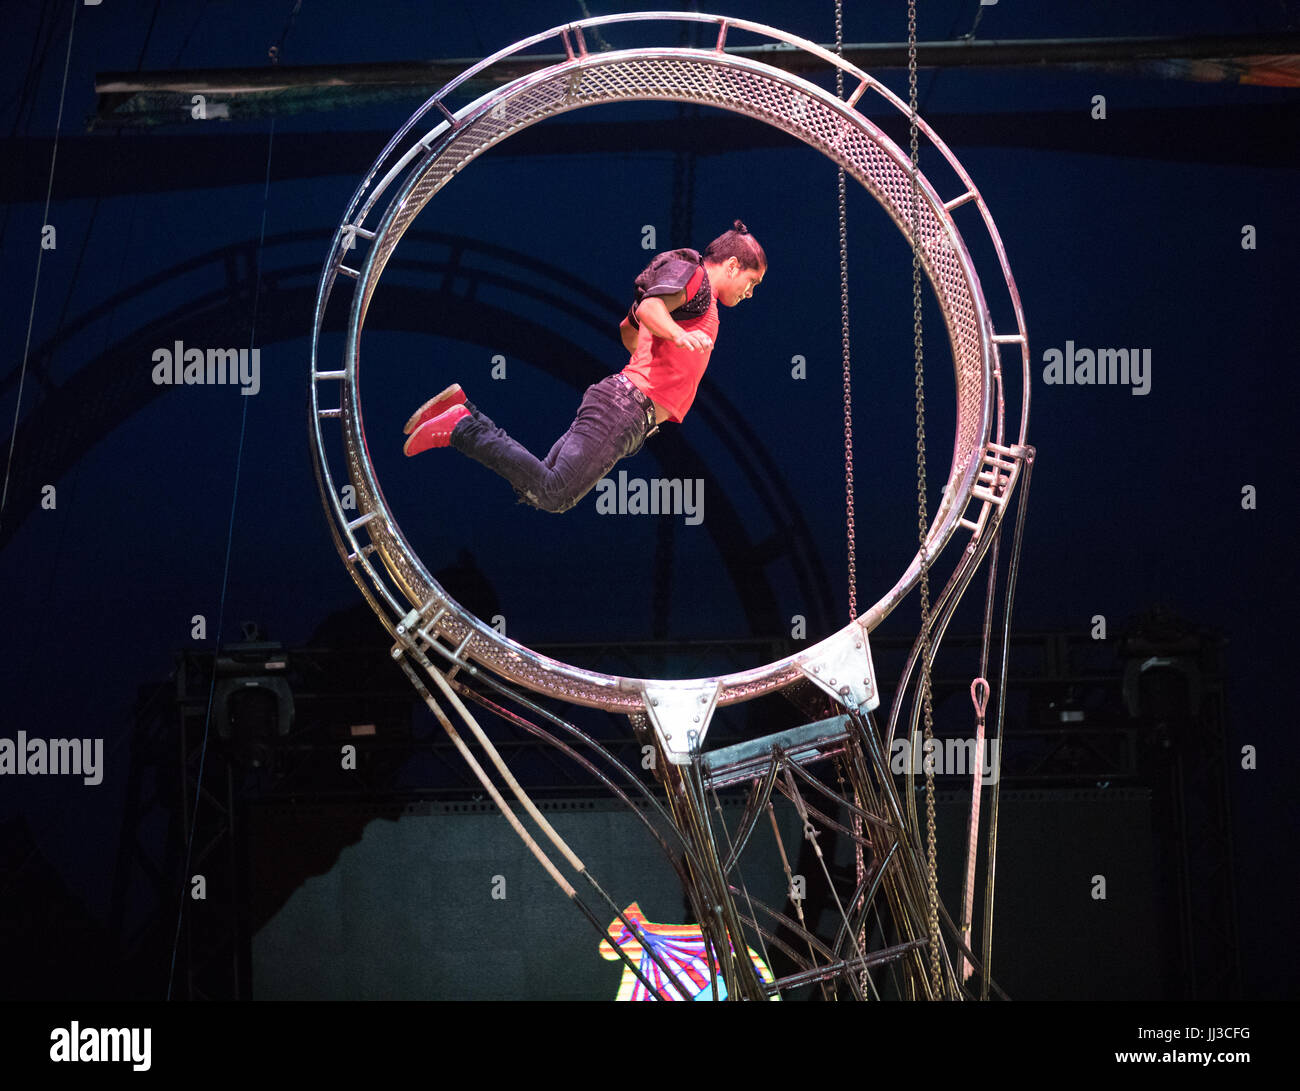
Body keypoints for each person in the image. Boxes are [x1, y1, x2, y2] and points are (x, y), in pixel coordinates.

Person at [402, 220, 766, 514]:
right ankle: (460, 426)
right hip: (624, 408)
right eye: (752, 282)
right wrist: (675, 332)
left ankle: (463, 415)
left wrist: (665, 331)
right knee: (553, 493)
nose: (750, 293)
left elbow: (630, 330)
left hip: (624, 409)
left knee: (539, 486)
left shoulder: (696, 297)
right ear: (733, 265)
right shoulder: (697, 279)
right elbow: (648, 312)